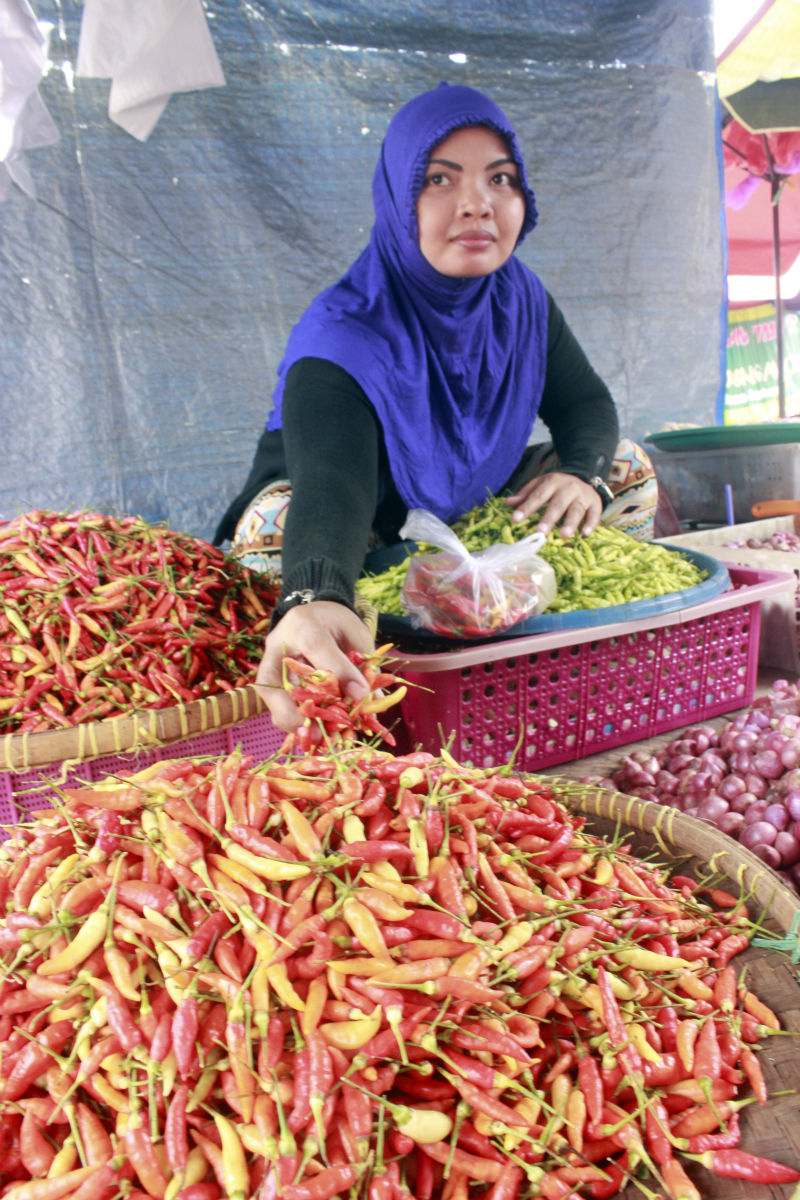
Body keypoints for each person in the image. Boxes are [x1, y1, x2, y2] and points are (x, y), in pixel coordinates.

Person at [215, 83, 655, 735]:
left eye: (499, 179)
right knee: (272, 530)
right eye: (440, 180)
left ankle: (552, 640)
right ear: (398, 200)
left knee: (624, 471)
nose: (477, 204)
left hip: (469, 513)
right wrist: (316, 591)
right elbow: (332, 484)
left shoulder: (521, 301)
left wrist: (581, 472)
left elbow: (584, 402)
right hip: (358, 531)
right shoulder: (343, 332)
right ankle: (349, 659)